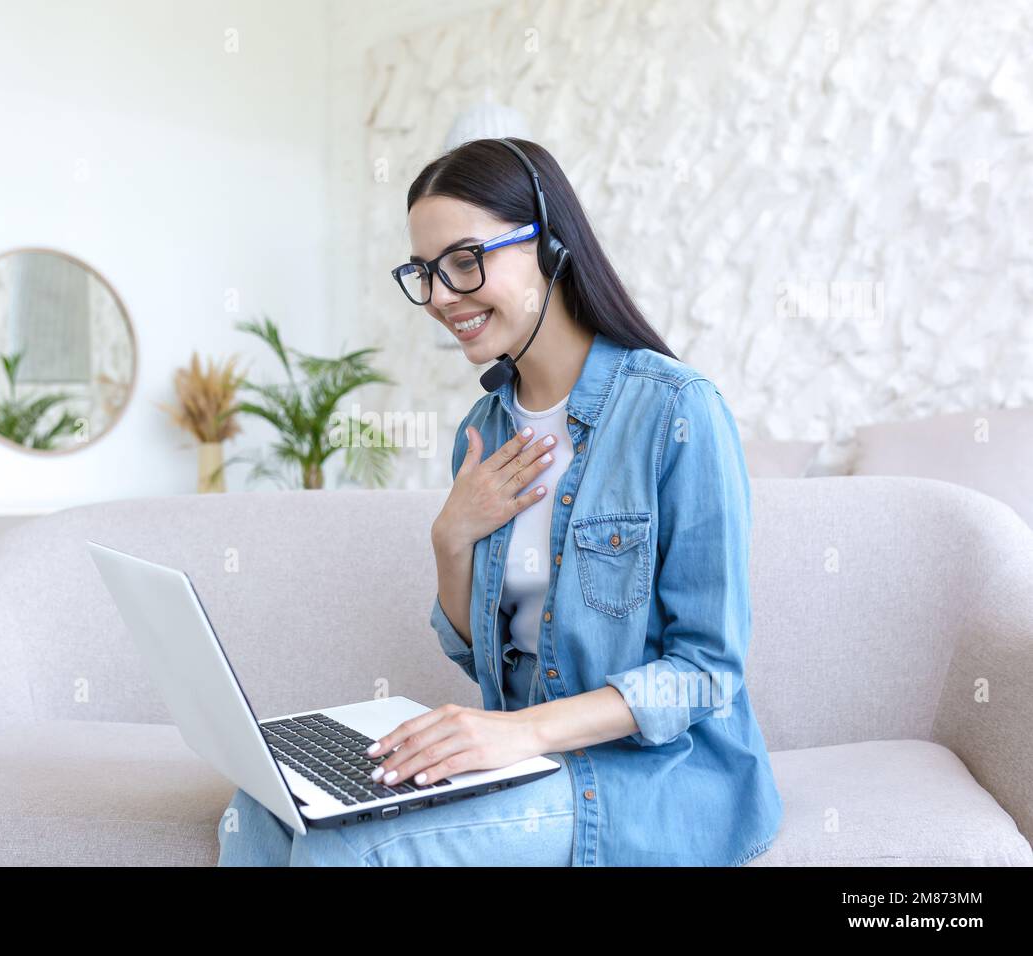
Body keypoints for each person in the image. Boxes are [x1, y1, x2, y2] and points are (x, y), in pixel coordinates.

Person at [217, 137, 783, 866]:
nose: (442, 296)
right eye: (425, 272)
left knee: (351, 853)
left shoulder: (677, 411)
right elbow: (475, 653)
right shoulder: (483, 432)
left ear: (548, 244)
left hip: (659, 780)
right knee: (260, 807)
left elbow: (708, 671)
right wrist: (450, 540)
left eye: (464, 260)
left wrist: (520, 733)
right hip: (530, 765)